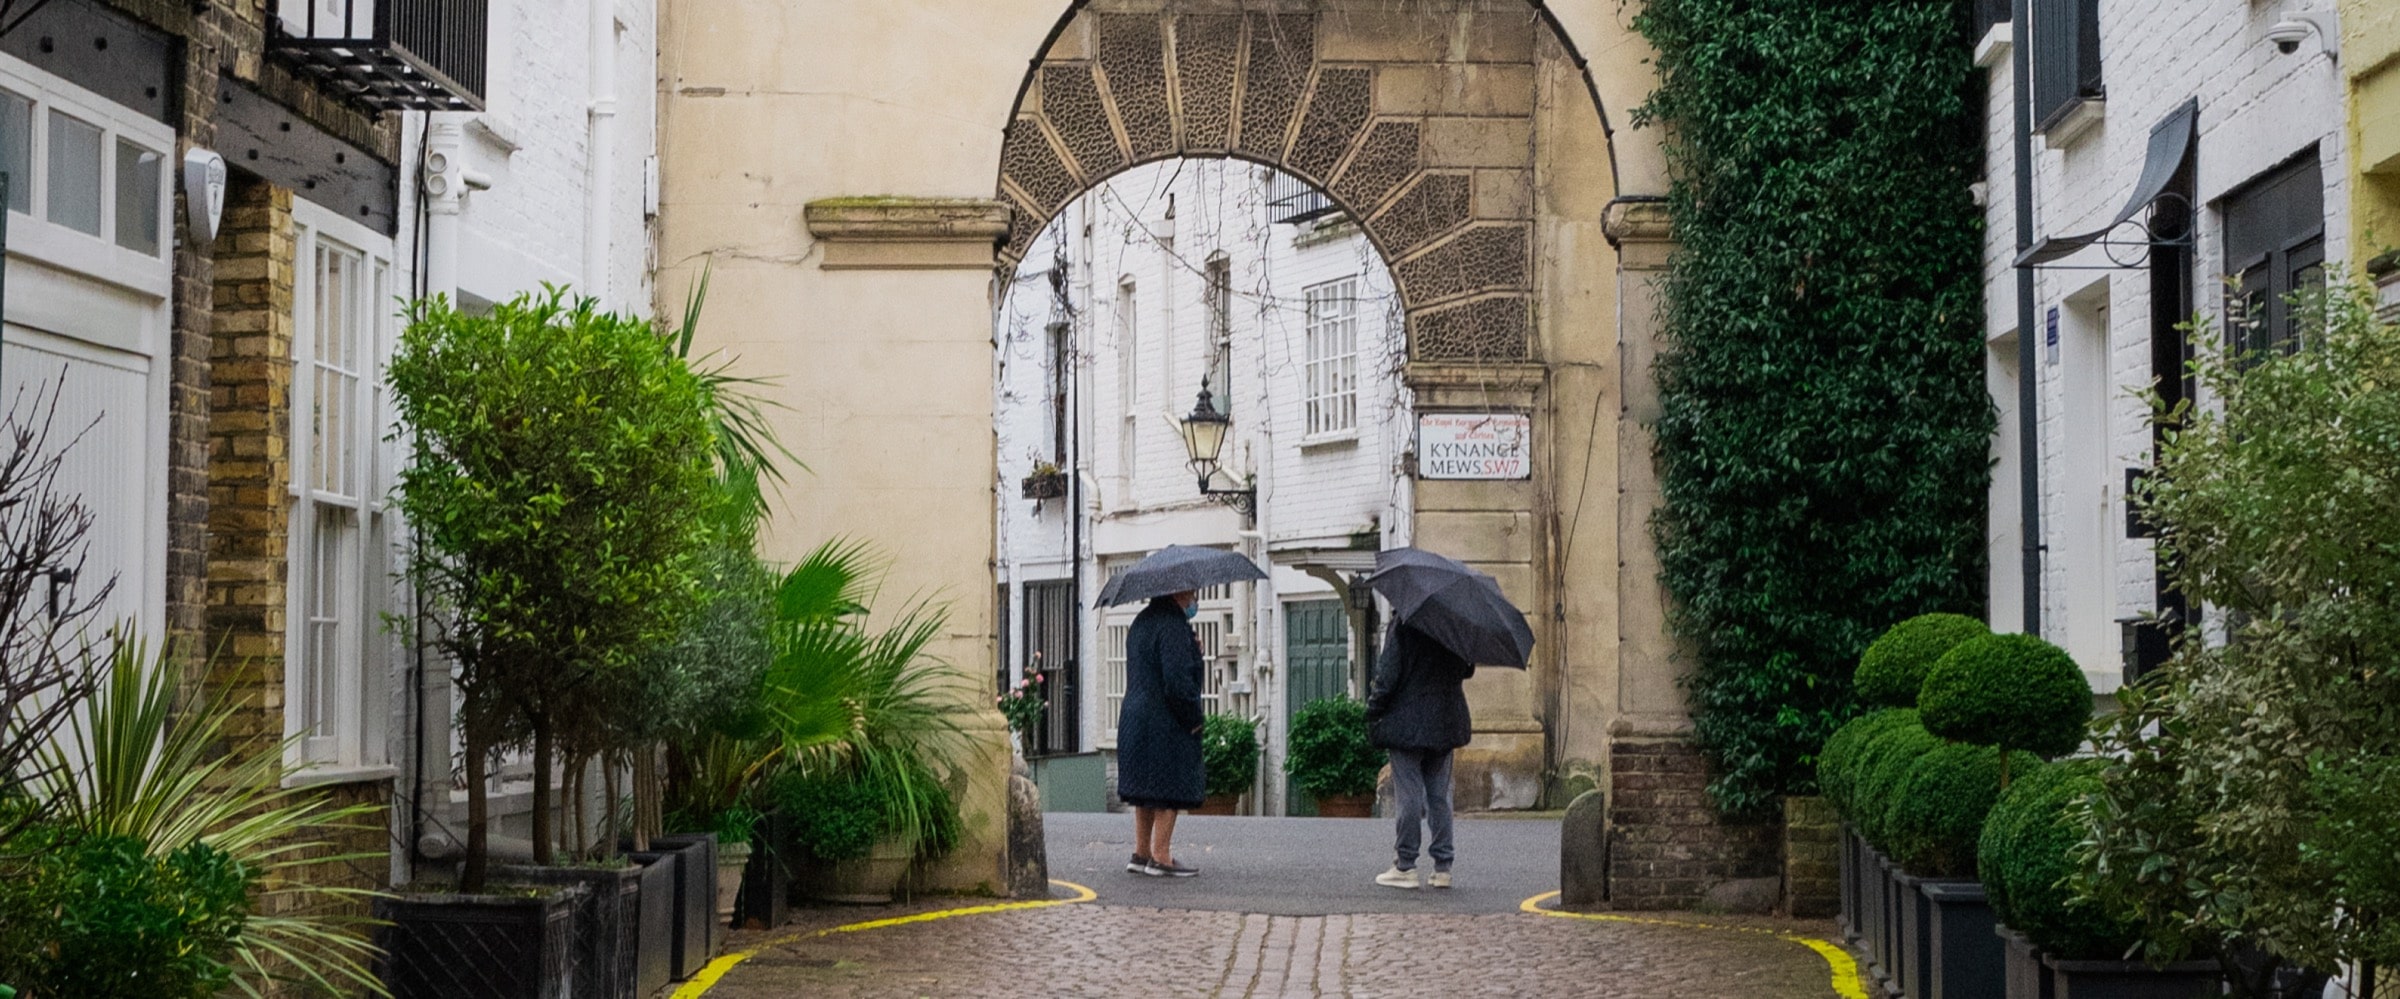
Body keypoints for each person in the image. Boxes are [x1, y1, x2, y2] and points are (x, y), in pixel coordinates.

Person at [1364, 620, 1475, 889]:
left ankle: (1405, 865)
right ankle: (1443, 867)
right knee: (1440, 795)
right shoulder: (1453, 623)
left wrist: (1373, 710)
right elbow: (1467, 669)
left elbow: (1388, 675)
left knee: (1409, 793)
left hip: (1407, 720)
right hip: (1445, 719)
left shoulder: (1404, 624)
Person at [1115, 589, 1207, 877]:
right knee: (1170, 785)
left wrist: (1192, 651)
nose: (1194, 598)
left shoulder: (1141, 621)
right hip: (1165, 719)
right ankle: (1161, 856)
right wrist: (1193, 718)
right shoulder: (1173, 625)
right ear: (1178, 592)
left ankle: (1141, 852)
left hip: (1134, 716)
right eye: (1192, 592)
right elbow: (1177, 681)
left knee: (1145, 789)